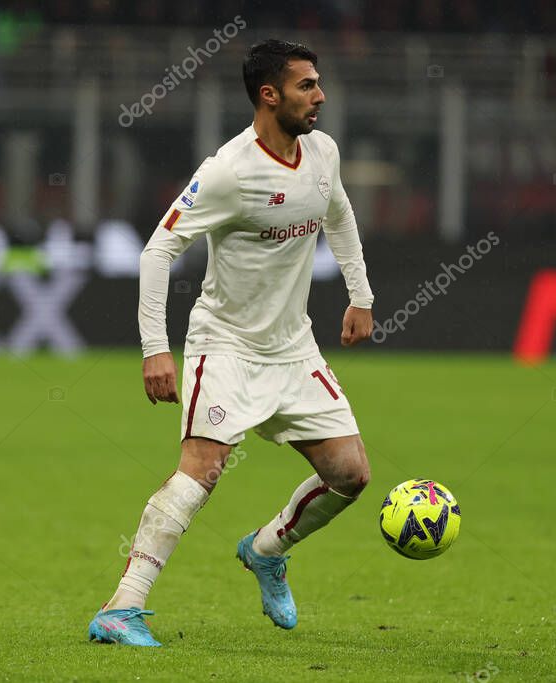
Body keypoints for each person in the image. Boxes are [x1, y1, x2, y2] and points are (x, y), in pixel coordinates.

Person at [87, 39, 375, 647]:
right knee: (202, 471)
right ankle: (120, 608)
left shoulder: (323, 152)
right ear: (269, 95)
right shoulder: (228, 172)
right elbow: (157, 250)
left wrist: (361, 294)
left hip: (293, 348)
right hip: (225, 347)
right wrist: (154, 348)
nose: (320, 96)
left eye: (319, 83)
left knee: (351, 474)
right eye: (307, 86)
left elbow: (339, 214)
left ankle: (267, 550)